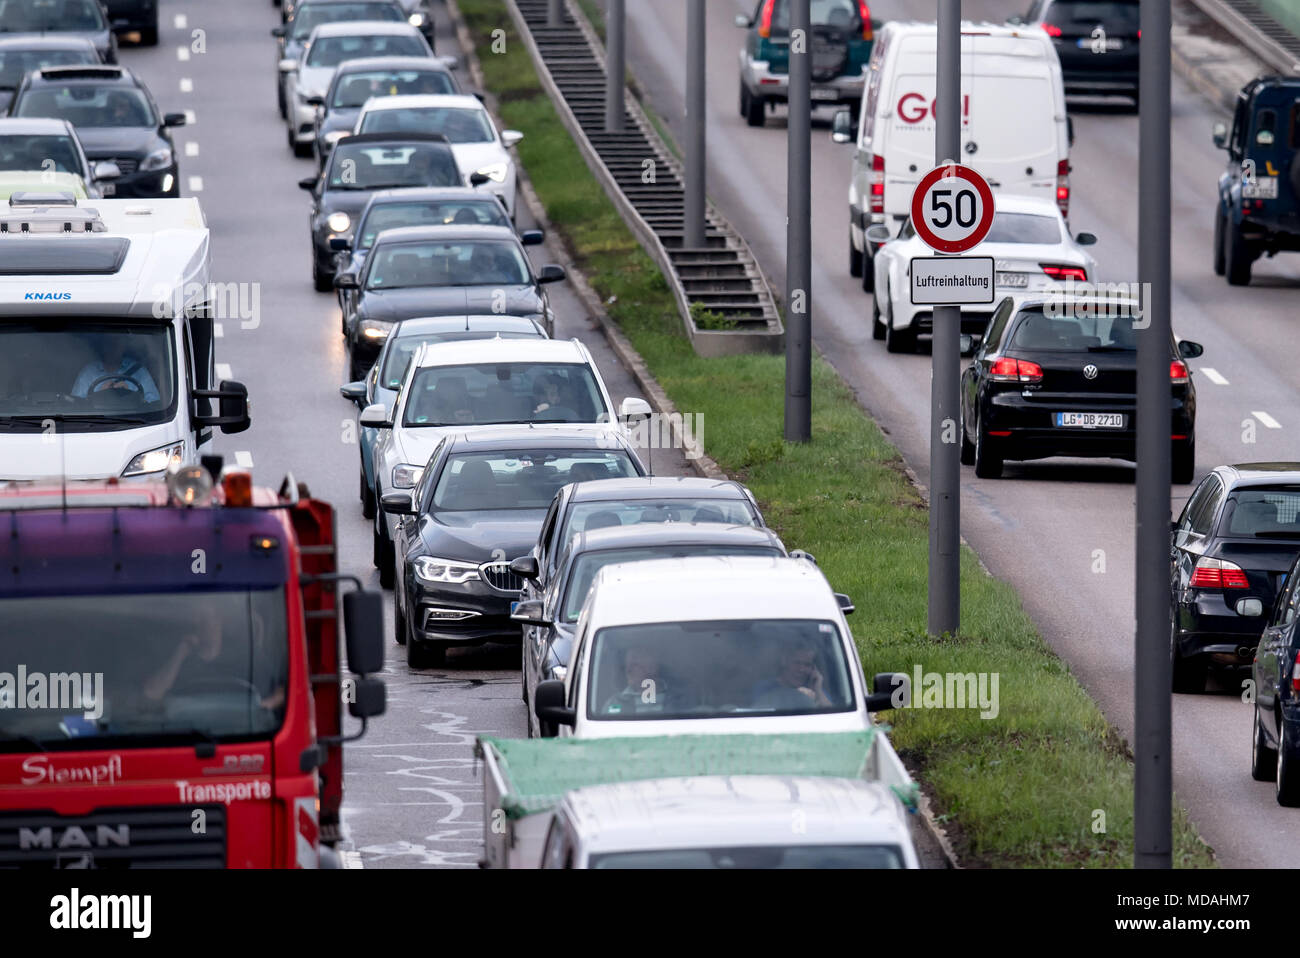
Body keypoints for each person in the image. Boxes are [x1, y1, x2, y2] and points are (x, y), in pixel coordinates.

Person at [71, 336, 160, 403]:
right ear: (102, 345)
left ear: (124, 344)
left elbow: (154, 403)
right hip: (96, 423)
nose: (113, 345)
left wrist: (132, 396)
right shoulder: (88, 373)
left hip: (135, 423)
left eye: (117, 340)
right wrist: (98, 396)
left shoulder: (139, 371)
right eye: (108, 342)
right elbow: (76, 404)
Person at [750, 641, 832, 710]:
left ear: (813, 669)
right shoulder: (765, 688)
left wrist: (817, 691)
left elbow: (832, 717)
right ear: (784, 661)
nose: (801, 669)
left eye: (807, 665)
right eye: (797, 663)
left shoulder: (816, 690)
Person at [600, 646, 679, 715]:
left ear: (653, 667)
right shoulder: (614, 704)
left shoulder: (680, 700)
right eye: (627, 667)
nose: (629, 670)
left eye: (635, 665)